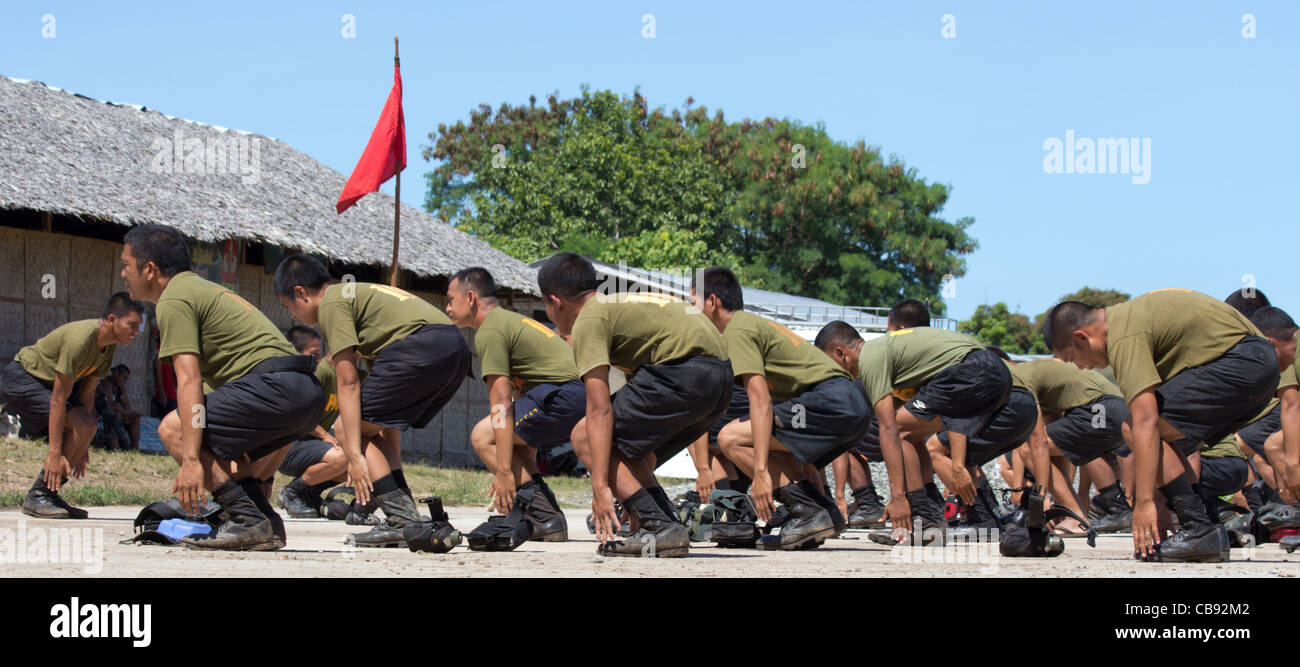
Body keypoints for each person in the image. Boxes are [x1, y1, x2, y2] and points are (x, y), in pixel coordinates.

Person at [121, 224, 325, 550]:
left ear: (150, 269)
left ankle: (245, 520)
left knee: (175, 429)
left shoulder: (173, 298)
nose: (123, 273)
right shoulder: (201, 289)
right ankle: (264, 523)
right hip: (305, 392)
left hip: (276, 387)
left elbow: (188, 379)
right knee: (217, 443)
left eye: (126, 265)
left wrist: (190, 459)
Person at [1043, 289, 1278, 562]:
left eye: (1074, 359)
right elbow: (1161, 441)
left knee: (1134, 428)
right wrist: (1165, 505)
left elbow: (1144, 422)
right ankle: (1205, 526)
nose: (1082, 368)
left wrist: (1144, 504)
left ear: (1081, 337)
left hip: (1242, 362)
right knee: (1167, 437)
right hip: (1259, 368)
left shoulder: (1123, 334)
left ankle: (1198, 527)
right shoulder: (1131, 319)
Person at [538, 253, 732, 558]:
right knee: (622, 445)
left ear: (554, 301)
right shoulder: (622, 305)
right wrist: (631, 493)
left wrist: (601, 488)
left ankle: (657, 526)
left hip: (684, 371)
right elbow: (630, 438)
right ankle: (665, 525)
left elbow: (599, 410)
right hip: (720, 383)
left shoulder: (587, 318)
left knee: (583, 434)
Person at [274, 253, 471, 548]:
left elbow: (348, 381)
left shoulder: (332, 302)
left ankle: (401, 520)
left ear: (300, 293)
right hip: (455, 350)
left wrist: (353, 454)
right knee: (362, 425)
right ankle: (405, 518)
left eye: (288, 306)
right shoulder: (361, 299)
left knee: (345, 429)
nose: (292, 315)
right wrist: (388, 480)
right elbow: (383, 421)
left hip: (422, 348)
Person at [693, 267, 870, 549]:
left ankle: (806, 513)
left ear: (712, 302)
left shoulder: (736, 330)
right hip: (851, 403)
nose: (692, 311)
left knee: (730, 437)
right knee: (775, 440)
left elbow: (760, 399)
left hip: (831, 400)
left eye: (693, 303)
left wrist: (761, 472)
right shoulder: (752, 324)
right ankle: (825, 514)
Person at [445, 266, 579, 542]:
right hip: (573, 396)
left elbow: (501, 404)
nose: (447, 308)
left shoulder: (490, 331)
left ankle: (544, 516)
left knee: (483, 436)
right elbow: (521, 415)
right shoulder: (507, 321)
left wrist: (505, 471)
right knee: (508, 439)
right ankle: (545, 516)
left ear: (470, 298)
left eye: (450, 299)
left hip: (563, 394)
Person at [1, 293, 144, 519]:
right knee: (79, 426)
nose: (136, 332)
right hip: (22, 378)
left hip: (46, 385)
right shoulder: (80, 341)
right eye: (132, 325)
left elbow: (86, 393)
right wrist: (55, 453)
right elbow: (59, 398)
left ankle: (50, 494)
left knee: (88, 426)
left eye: (139, 327)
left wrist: (82, 441)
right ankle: (39, 495)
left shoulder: (108, 347)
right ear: (112, 319)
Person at [275, 325, 350, 518]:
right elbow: (298, 414)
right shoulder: (315, 373)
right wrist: (325, 435)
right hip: (289, 447)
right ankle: (292, 493)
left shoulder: (338, 373)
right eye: (313, 354)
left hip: (310, 444)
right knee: (342, 458)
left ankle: (309, 493)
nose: (317, 358)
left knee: (352, 461)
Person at [96, 365, 140, 451]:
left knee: (135, 419)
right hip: (107, 418)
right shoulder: (107, 383)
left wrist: (126, 415)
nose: (124, 381)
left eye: (126, 380)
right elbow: (109, 404)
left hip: (119, 416)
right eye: (123, 378)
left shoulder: (121, 388)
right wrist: (124, 412)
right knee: (117, 411)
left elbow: (126, 404)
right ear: (115, 374)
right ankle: (117, 446)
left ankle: (135, 448)